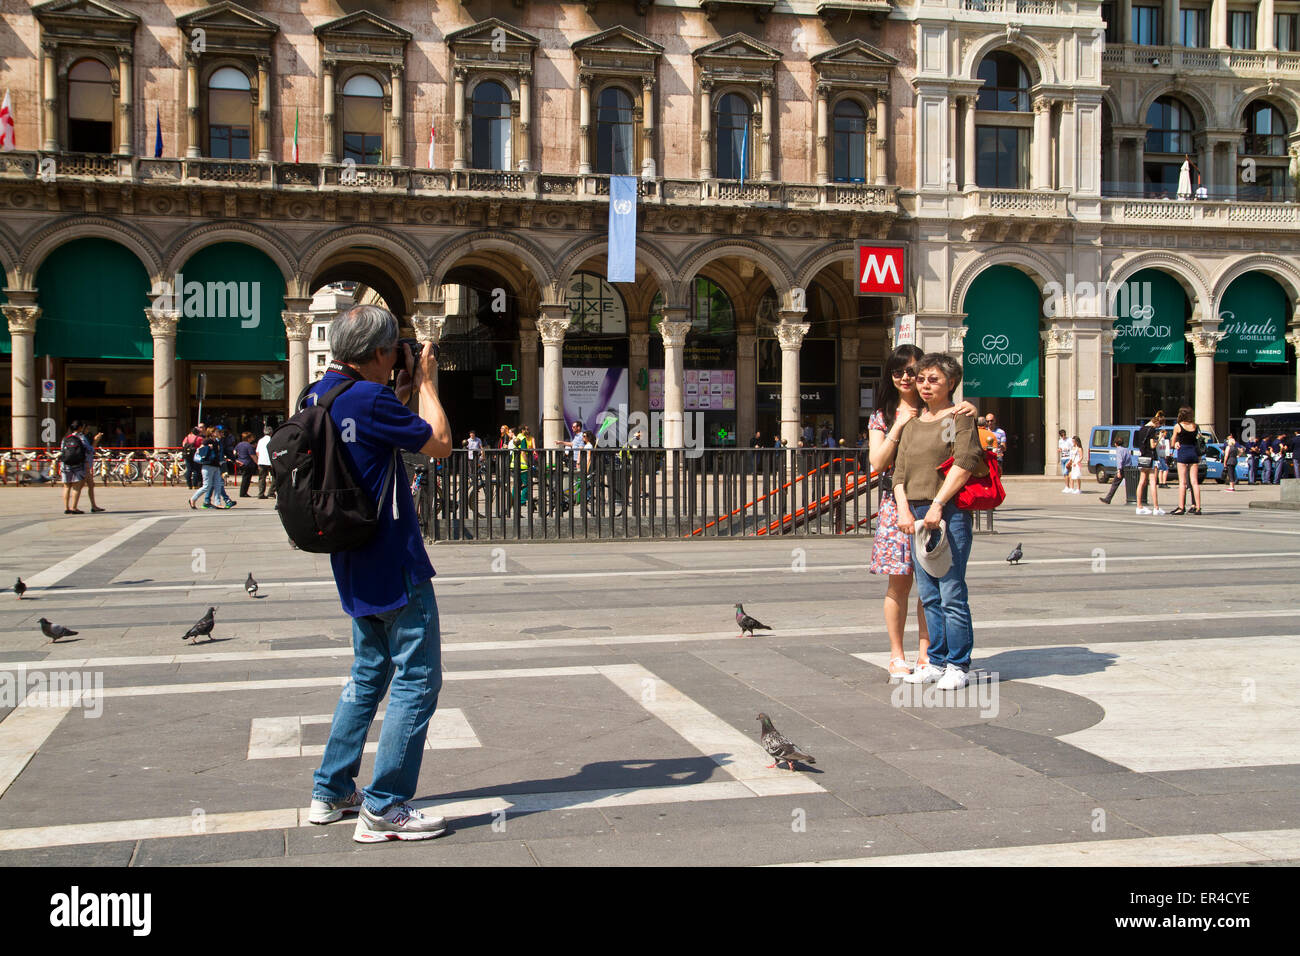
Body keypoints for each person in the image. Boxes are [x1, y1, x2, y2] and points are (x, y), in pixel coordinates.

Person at [306, 304, 453, 843]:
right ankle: (386, 807)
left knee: (368, 674)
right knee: (418, 678)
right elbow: (438, 444)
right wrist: (430, 385)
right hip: (393, 559)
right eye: (393, 349)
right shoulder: (369, 398)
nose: (399, 356)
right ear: (378, 353)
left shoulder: (319, 393)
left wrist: (403, 387)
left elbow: (372, 433)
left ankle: (331, 790)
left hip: (349, 557)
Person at [868, 344, 977, 682]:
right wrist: (899, 425)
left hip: (937, 507)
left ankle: (933, 658)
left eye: (916, 374)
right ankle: (901, 656)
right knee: (905, 584)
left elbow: (966, 458)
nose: (910, 379)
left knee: (944, 588)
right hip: (900, 507)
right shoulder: (888, 415)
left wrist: (968, 408)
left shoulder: (954, 413)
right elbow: (883, 465)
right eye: (900, 372)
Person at [894, 353, 986, 691]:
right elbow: (898, 472)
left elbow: (965, 461)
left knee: (951, 590)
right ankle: (935, 660)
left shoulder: (961, 418)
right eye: (921, 379)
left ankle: (958, 664)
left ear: (950, 383)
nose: (924, 384)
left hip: (948, 512)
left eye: (933, 379)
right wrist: (905, 510)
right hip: (915, 514)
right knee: (929, 593)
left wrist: (937, 504)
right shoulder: (914, 423)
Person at [189, 427, 234, 509]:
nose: (219, 433)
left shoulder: (217, 442)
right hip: (208, 466)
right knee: (206, 486)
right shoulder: (207, 441)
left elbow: (222, 452)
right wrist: (207, 448)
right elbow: (200, 451)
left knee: (218, 485)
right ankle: (193, 499)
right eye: (217, 431)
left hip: (216, 465)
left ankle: (218, 503)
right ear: (212, 433)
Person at [1170, 405, 1203, 514]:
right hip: (1193, 453)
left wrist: (1176, 443)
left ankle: (1181, 507)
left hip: (1183, 453)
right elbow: (1198, 440)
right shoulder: (1195, 426)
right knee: (1194, 482)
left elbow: (1172, 443)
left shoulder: (1178, 426)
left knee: (1182, 482)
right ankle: (1198, 507)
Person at [1134, 411, 1165, 515]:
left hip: (1142, 457)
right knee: (1152, 482)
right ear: (1157, 424)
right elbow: (1152, 445)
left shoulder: (1141, 429)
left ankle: (1139, 506)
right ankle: (1156, 508)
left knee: (1141, 481)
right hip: (1151, 457)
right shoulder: (1151, 430)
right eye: (1159, 425)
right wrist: (1159, 437)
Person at [59, 420, 89, 514]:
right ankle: (74, 507)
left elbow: (62, 451)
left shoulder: (65, 438)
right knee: (76, 486)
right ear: (80, 428)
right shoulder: (81, 437)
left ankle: (66, 508)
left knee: (66, 486)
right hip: (78, 464)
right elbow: (88, 449)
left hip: (66, 464)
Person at [78, 423, 107, 512]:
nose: (88, 430)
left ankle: (93, 505)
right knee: (79, 487)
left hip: (86, 465)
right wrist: (95, 441)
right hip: (84, 465)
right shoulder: (82, 438)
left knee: (90, 484)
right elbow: (90, 450)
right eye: (87, 428)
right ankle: (73, 506)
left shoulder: (83, 437)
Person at [1099, 434, 1135, 504]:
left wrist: (1119, 471)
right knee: (1129, 485)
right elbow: (1129, 459)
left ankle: (1108, 499)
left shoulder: (1118, 450)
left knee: (1115, 484)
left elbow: (1119, 460)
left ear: (1115, 444)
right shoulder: (1126, 450)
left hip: (1122, 469)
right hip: (1128, 468)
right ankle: (1131, 498)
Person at [234, 431, 257, 497]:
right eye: (252, 437)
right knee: (246, 479)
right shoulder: (249, 446)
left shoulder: (239, 444)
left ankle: (243, 492)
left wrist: (237, 459)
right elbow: (253, 455)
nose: (253, 438)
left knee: (245, 478)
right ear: (248, 438)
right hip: (248, 463)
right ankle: (243, 493)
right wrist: (257, 463)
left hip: (241, 462)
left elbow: (234, 452)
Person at [255, 425, 275, 498]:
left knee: (262, 478)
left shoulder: (260, 440)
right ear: (271, 433)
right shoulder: (272, 440)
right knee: (275, 477)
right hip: (270, 462)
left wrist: (259, 459)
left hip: (261, 461)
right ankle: (271, 491)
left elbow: (257, 452)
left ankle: (261, 493)